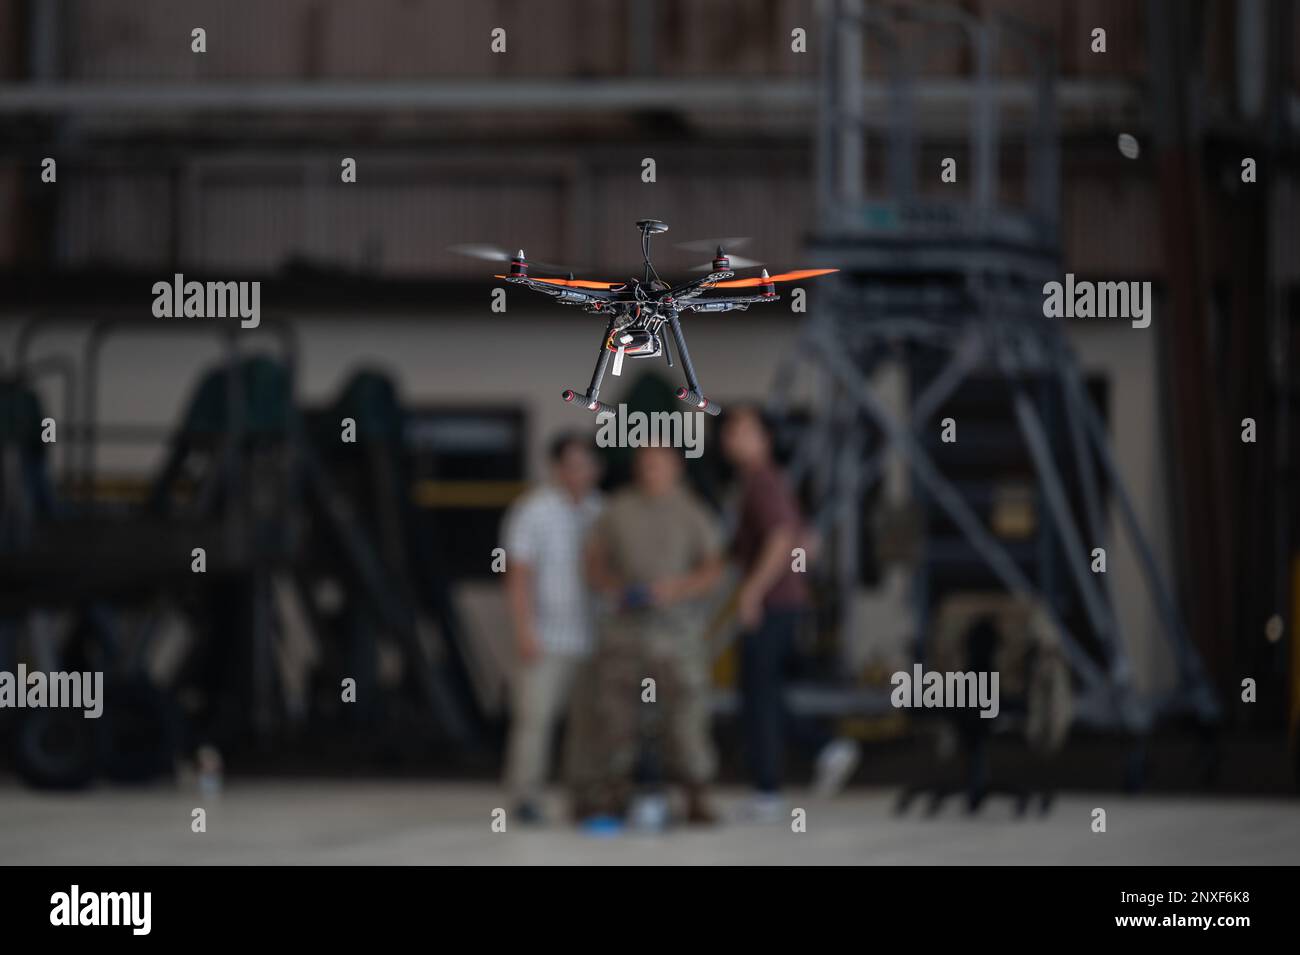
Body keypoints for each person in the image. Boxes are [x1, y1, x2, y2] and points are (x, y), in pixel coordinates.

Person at [721, 404, 860, 821]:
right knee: (762, 691)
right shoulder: (765, 481)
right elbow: (806, 541)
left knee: (759, 695)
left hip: (774, 603)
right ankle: (824, 748)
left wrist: (752, 593)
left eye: (744, 431)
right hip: (786, 600)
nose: (733, 439)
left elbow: (782, 539)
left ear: (765, 438)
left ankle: (770, 789)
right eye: (730, 432)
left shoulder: (763, 481)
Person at [577, 444, 724, 824]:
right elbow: (593, 562)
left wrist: (677, 590)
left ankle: (696, 793)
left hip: (677, 633)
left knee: (686, 715)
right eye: (644, 463)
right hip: (625, 632)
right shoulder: (617, 510)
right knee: (616, 716)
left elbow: (713, 569)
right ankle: (613, 793)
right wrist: (613, 587)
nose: (650, 470)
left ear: (676, 467)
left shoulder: (692, 511)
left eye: (658, 463)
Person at [500, 431, 603, 823]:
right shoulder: (533, 511)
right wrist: (523, 630)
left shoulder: (601, 510)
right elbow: (517, 575)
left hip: (590, 635)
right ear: (557, 468)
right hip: (544, 635)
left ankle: (583, 795)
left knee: (588, 723)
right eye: (571, 465)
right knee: (535, 720)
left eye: (586, 465)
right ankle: (526, 795)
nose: (579, 473)